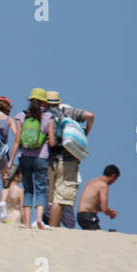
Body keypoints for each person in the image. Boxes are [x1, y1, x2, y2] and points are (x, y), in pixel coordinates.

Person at [43, 91, 94, 228]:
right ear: (58, 102)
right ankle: (54, 229)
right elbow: (90, 115)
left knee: (52, 198)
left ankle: (53, 228)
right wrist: (86, 132)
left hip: (50, 160)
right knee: (60, 199)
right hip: (68, 160)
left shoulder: (44, 115)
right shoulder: (67, 111)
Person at [10, 88, 57, 228]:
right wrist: (47, 139)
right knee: (41, 189)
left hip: (24, 157)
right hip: (41, 157)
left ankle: (26, 223)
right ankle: (38, 219)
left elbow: (17, 140)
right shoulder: (48, 117)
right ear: (44, 102)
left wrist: (10, 160)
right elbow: (53, 142)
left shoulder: (21, 116)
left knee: (28, 189)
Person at [77, 166, 120, 230]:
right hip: (88, 216)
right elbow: (104, 208)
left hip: (80, 215)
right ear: (113, 176)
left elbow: (91, 204)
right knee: (99, 236)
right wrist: (111, 214)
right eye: (115, 179)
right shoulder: (103, 185)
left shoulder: (92, 181)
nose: (114, 182)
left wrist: (106, 210)